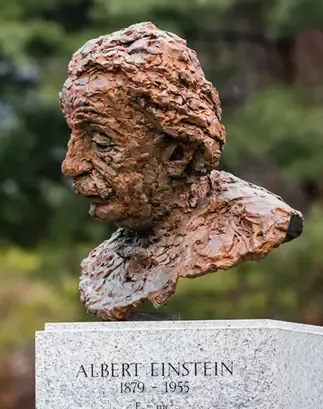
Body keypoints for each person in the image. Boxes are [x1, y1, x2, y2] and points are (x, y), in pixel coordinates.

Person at [59, 22, 303, 320]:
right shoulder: (106, 262)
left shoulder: (253, 221)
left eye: (101, 141)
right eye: (73, 136)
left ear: (178, 152)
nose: (71, 165)